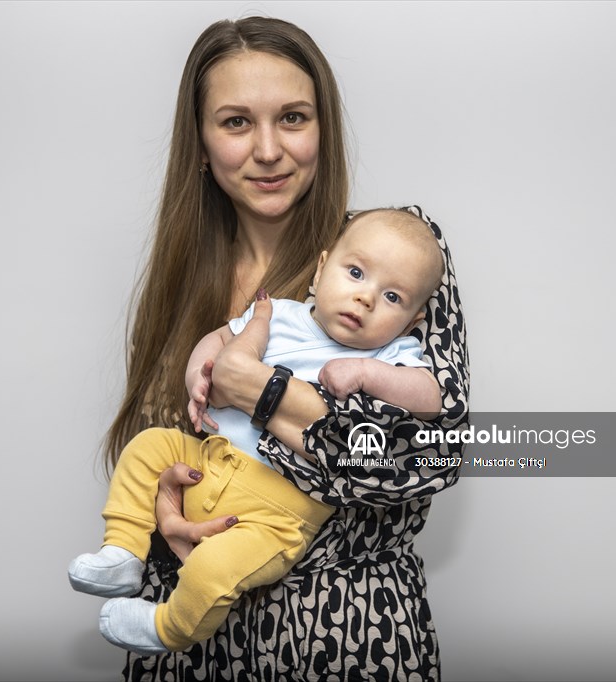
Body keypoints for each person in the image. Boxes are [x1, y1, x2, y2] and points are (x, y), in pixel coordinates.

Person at [93, 16, 469, 681]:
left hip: (344, 632)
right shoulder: (182, 284)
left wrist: (261, 392)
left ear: (322, 129)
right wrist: (165, 515)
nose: (268, 150)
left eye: (292, 117)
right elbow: (170, 449)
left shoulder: (391, 255)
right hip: (189, 642)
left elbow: (428, 458)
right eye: (236, 122)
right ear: (201, 145)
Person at [70, 209, 447, 656]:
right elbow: (219, 340)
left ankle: (169, 627)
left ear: (412, 320)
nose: (365, 298)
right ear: (322, 268)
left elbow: (433, 402)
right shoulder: (281, 315)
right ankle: (123, 553)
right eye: (356, 273)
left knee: (214, 568)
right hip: (210, 460)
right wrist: (199, 375)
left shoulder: (393, 352)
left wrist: (369, 372)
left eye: (391, 296)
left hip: (278, 514)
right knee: (148, 447)